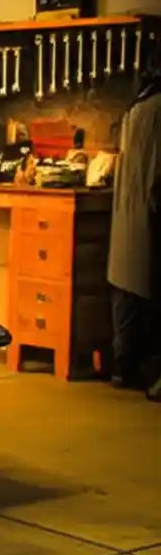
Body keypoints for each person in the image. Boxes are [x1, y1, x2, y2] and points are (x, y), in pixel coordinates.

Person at [107, 38, 161, 401]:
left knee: (127, 293)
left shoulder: (137, 109)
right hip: (150, 213)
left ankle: (123, 367)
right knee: (149, 296)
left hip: (129, 213)